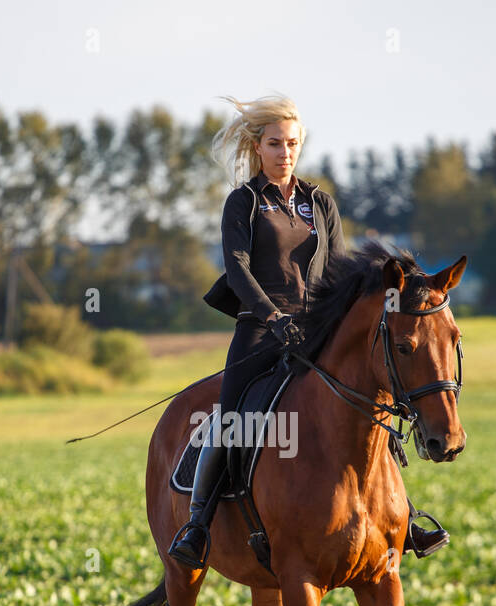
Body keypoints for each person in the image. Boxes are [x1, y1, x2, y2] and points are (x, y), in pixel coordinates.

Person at [167, 94, 449, 570]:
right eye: (275, 143)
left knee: (372, 405)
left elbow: (338, 271)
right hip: (260, 329)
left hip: (316, 331)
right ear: (258, 147)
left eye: (292, 143)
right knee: (233, 418)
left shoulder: (320, 202)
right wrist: (270, 316)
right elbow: (236, 269)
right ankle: (198, 522)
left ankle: (402, 515)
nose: (285, 152)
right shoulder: (245, 202)